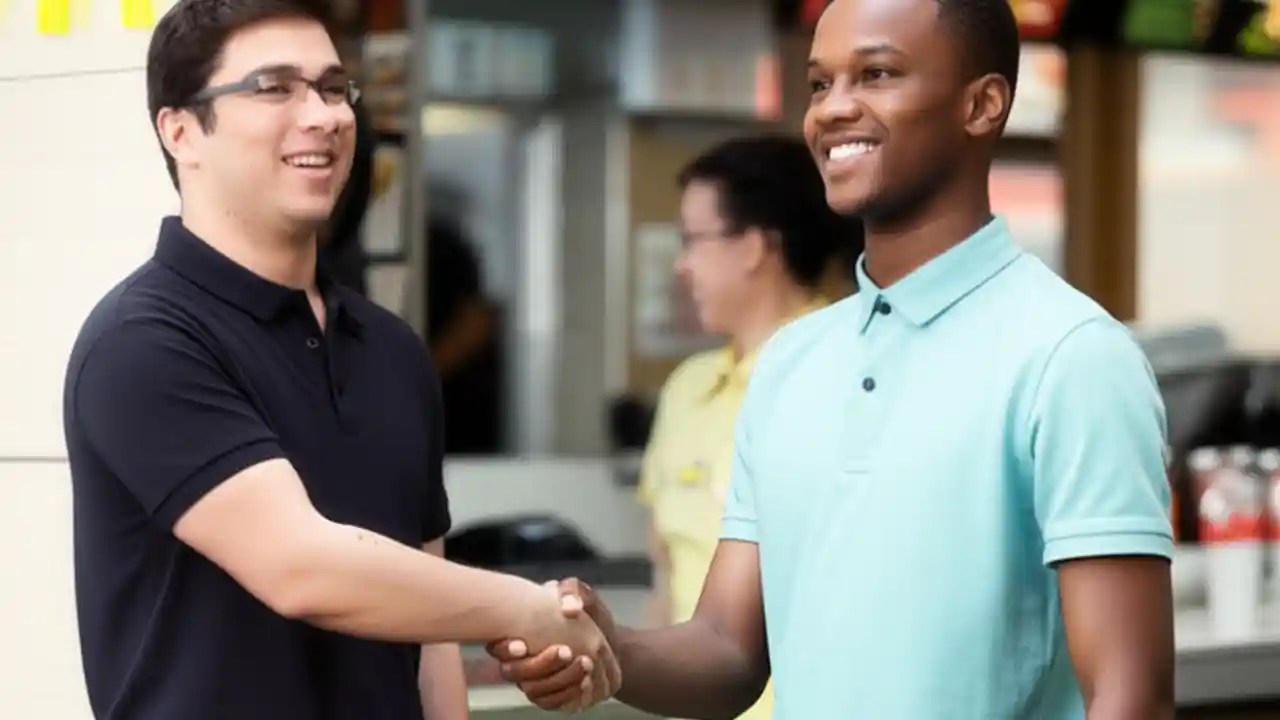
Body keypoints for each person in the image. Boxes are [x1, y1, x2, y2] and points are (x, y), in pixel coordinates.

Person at [489, 0, 1176, 717]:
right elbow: (727, 648)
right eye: (820, 84)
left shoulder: (1073, 357)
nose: (833, 111)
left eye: (877, 74)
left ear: (983, 104)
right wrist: (611, 648)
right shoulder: (792, 362)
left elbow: (1132, 697)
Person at [61, 2, 617, 719]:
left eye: (331, 87)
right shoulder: (143, 340)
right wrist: (525, 608)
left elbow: (428, 635)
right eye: (274, 87)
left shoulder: (391, 350)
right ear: (181, 131)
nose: (323, 114)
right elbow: (304, 568)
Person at [635, 136, 862, 720]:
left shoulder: (852, 369)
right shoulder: (689, 388)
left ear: (756, 246)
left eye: (694, 240)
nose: (681, 265)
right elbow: (669, 576)